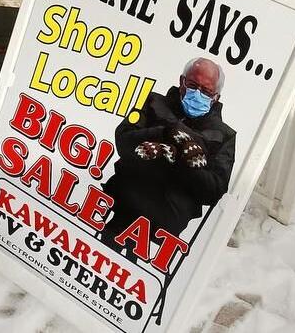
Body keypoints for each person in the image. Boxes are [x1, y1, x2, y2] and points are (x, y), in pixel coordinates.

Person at [100, 58, 236, 253]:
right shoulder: (152, 101)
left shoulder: (224, 135)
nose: (197, 94)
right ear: (182, 82)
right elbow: (123, 141)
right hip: (123, 200)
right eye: (192, 85)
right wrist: (163, 133)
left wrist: (181, 160)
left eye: (206, 91)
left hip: (166, 223)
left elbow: (214, 191)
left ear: (216, 97)